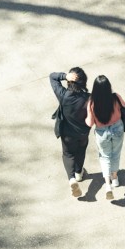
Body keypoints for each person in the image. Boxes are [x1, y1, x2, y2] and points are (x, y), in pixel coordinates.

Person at [50, 68, 91, 198]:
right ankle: (79, 173)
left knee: (68, 154)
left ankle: (71, 179)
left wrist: (64, 75)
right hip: (83, 133)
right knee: (81, 150)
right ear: (84, 82)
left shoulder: (63, 95)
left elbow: (52, 77)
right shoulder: (89, 98)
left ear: (69, 81)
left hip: (67, 134)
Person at [86, 75, 125, 200]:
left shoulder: (92, 103)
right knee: (116, 154)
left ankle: (107, 185)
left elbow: (89, 123)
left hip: (102, 132)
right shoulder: (115, 97)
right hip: (117, 128)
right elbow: (123, 105)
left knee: (105, 156)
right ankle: (115, 178)